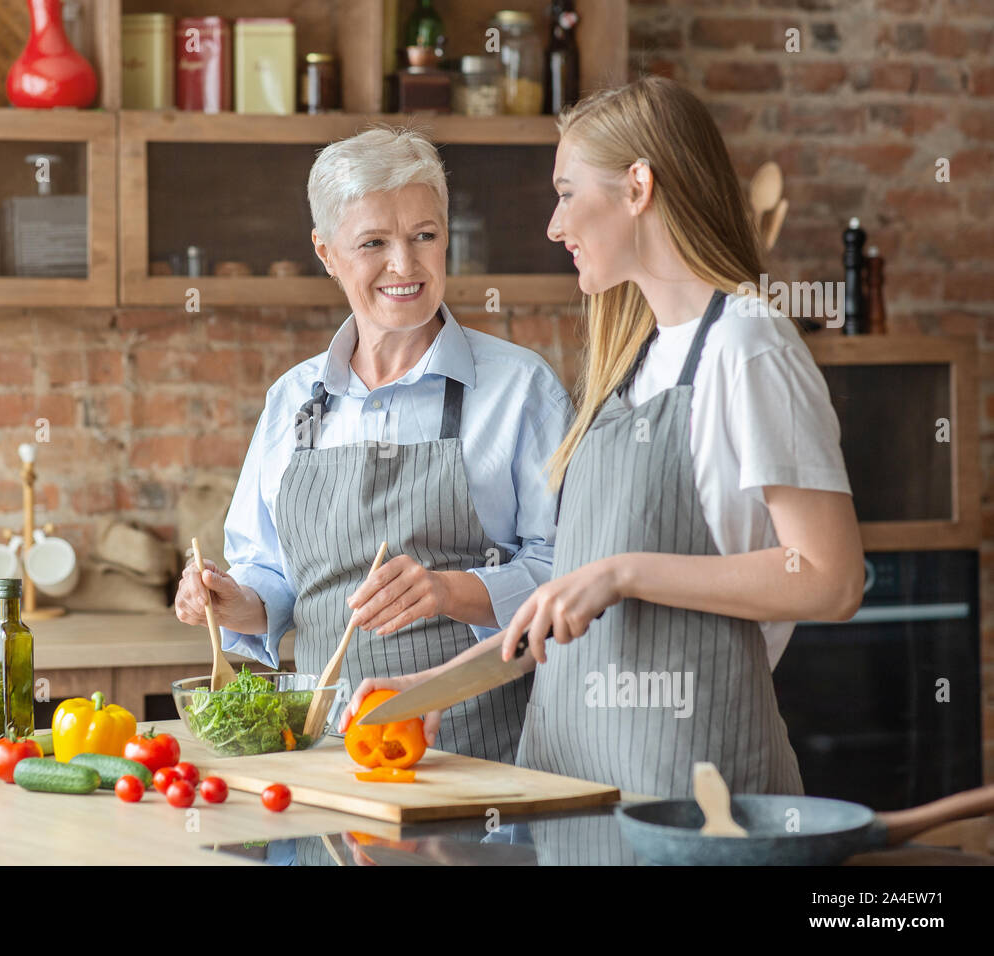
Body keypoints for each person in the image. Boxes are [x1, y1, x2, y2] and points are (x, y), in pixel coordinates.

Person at [342, 77, 864, 799]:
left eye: (565, 192)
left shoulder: (748, 345)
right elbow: (573, 608)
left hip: (689, 787)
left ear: (638, 186)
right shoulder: (635, 360)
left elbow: (831, 578)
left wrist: (624, 572)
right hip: (570, 782)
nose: (556, 226)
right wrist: (433, 687)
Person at [174, 127, 573, 763]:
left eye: (425, 236)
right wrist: (233, 602)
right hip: (322, 752)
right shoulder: (293, 401)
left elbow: (569, 579)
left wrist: (449, 589)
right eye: (373, 243)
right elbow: (276, 581)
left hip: (482, 756)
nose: (406, 266)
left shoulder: (521, 390)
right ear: (326, 252)